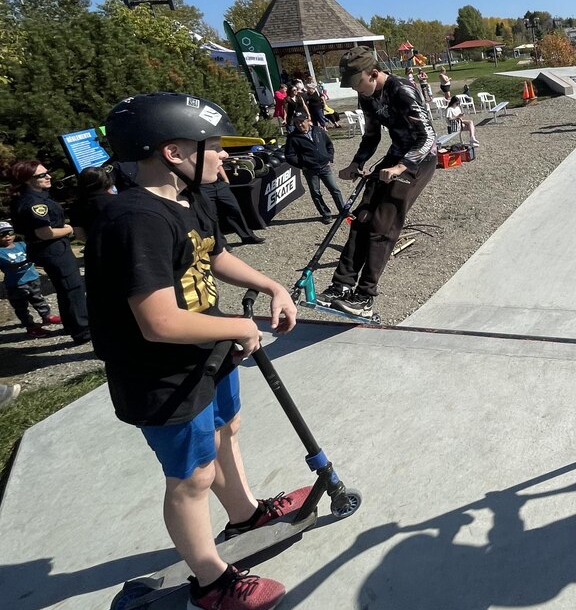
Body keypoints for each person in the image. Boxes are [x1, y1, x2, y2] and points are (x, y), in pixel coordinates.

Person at [89, 92, 303, 610]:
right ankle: (210, 581)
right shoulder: (134, 218)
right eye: (214, 145)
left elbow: (217, 256)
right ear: (172, 152)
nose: (225, 154)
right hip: (160, 371)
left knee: (228, 430)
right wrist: (235, 325)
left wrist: (272, 285)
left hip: (207, 348)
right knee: (191, 477)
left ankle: (246, 513)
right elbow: (158, 323)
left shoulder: (190, 199)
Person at [316, 46, 438, 319]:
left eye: (358, 84)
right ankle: (342, 285)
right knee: (362, 217)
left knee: (383, 223)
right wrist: (356, 163)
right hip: (395, 157)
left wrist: (401, 166)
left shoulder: (402, 90)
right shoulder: (367, 97)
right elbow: (371, 136)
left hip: (418, 159)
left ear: (373, 73)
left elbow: (428, 137)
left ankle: (366, 295)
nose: (356, 91)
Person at [8, 160, 90, 343]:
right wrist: (69, 229)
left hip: (50, 250)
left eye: (47, 172)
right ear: (28, 180)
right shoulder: (34, 203)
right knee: (72, 289)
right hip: (52, 250)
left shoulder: (35, 196)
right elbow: (44, 233)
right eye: (42, 175)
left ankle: (72, 325)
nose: (48, 176)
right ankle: (82, 331)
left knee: (65, 290)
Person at [284, 112, 347, 224]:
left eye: (301, 122)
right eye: (296, 123)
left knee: (335, 190)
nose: (299, 125)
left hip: (324, 167)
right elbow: (289, 155)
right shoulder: (292, 137)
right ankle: (325, 214)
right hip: (310, 170)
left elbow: (329, 145)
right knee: (316, 193)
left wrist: (329, 157)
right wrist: (302, 164)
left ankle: (343, 211)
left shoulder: (318, 130)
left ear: (307, 121)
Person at [0, 219, 60, 337]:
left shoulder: (22, 245)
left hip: (32, 278)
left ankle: (46, 316)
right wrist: (29, 258)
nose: (7, 236)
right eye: (2, 234)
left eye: (10, 233)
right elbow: (12, 265)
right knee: (21, 307)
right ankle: (30, 326)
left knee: (39, 299)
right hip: (15, 284)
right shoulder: (1, 252)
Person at [201, 168, 264, 246]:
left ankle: (247, 236)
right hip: (202, 187)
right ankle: (221, 244)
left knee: (234, 209)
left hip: (219, 184)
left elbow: (219, 164)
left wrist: (226, 180)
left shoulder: (212, 155)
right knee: (212, 215)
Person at [72, 164, 117, 241]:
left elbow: (79, 235)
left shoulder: (76, 206)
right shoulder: (117, 200)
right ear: (106, 181)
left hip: (97, 247)